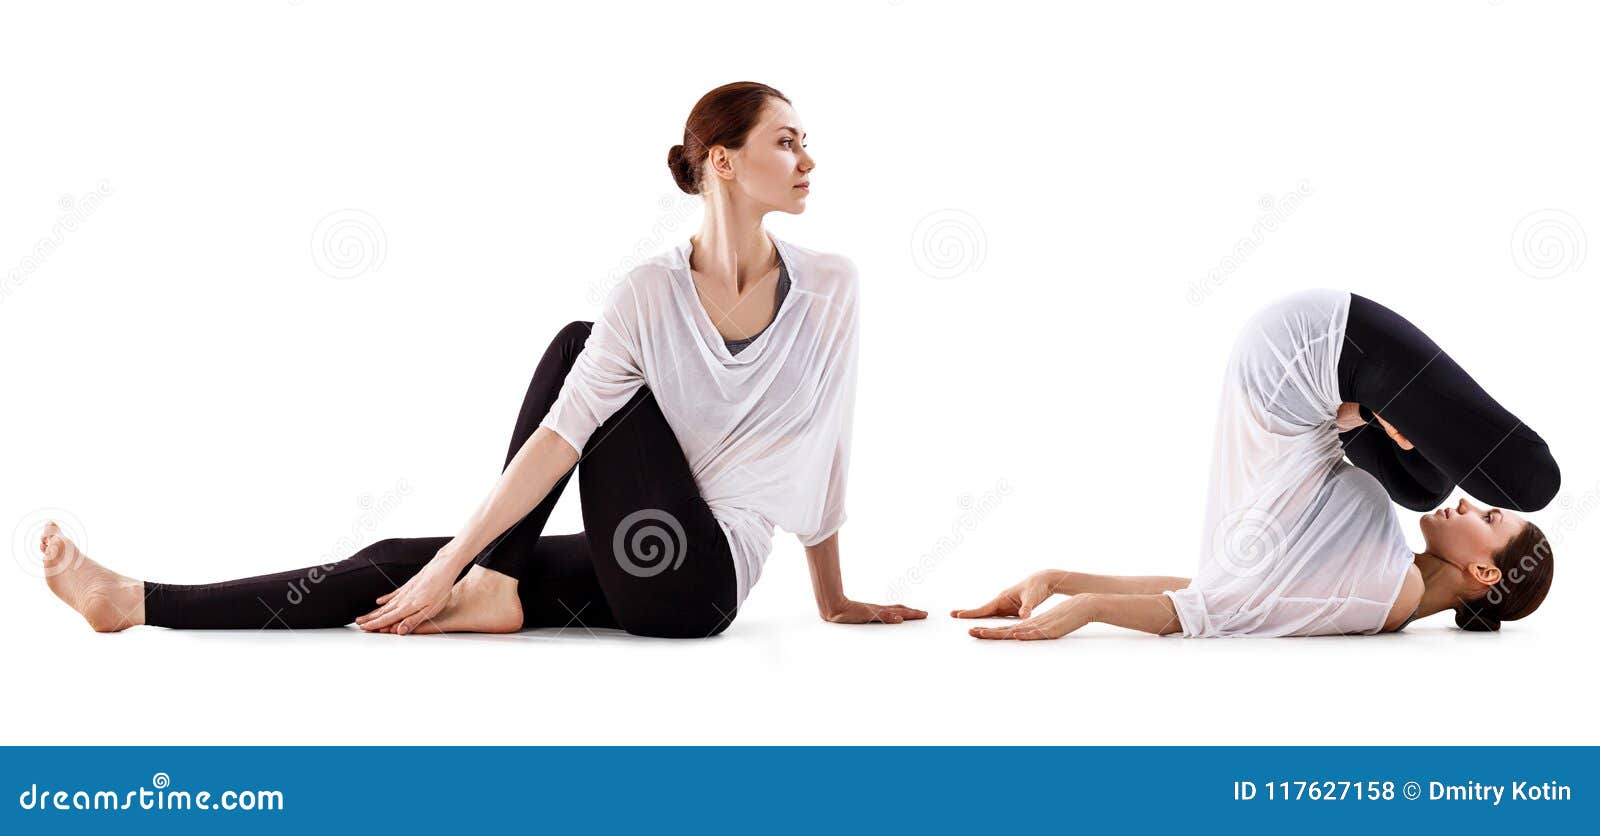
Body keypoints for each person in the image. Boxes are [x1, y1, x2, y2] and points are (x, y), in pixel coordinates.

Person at [39, 81, 927, 638]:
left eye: (805, 142)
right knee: (399, 560)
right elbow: (558, 440)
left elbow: (830, 446)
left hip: (704, 583)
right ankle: (138, 600)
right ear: (724, 164)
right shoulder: (650, 293)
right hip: (643, 562)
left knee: (578, 352)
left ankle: (492, 580)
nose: (808, 159)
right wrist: (444, 567)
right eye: (786, 141)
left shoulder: (831, 287)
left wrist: (834, 596)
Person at [955, 289, 1556, 640]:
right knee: (1423, 489)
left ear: (1484, 573)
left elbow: (1216, 605)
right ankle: (1377, 413)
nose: (1476, 506)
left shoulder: (1385, 596)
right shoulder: (1388, 581)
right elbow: (1229, 593)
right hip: (1312, 376)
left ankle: (1378, 412)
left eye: (1492, 520)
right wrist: (1061, 580)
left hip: (1308, 355)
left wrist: (1082, 605)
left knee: (1533, 481)